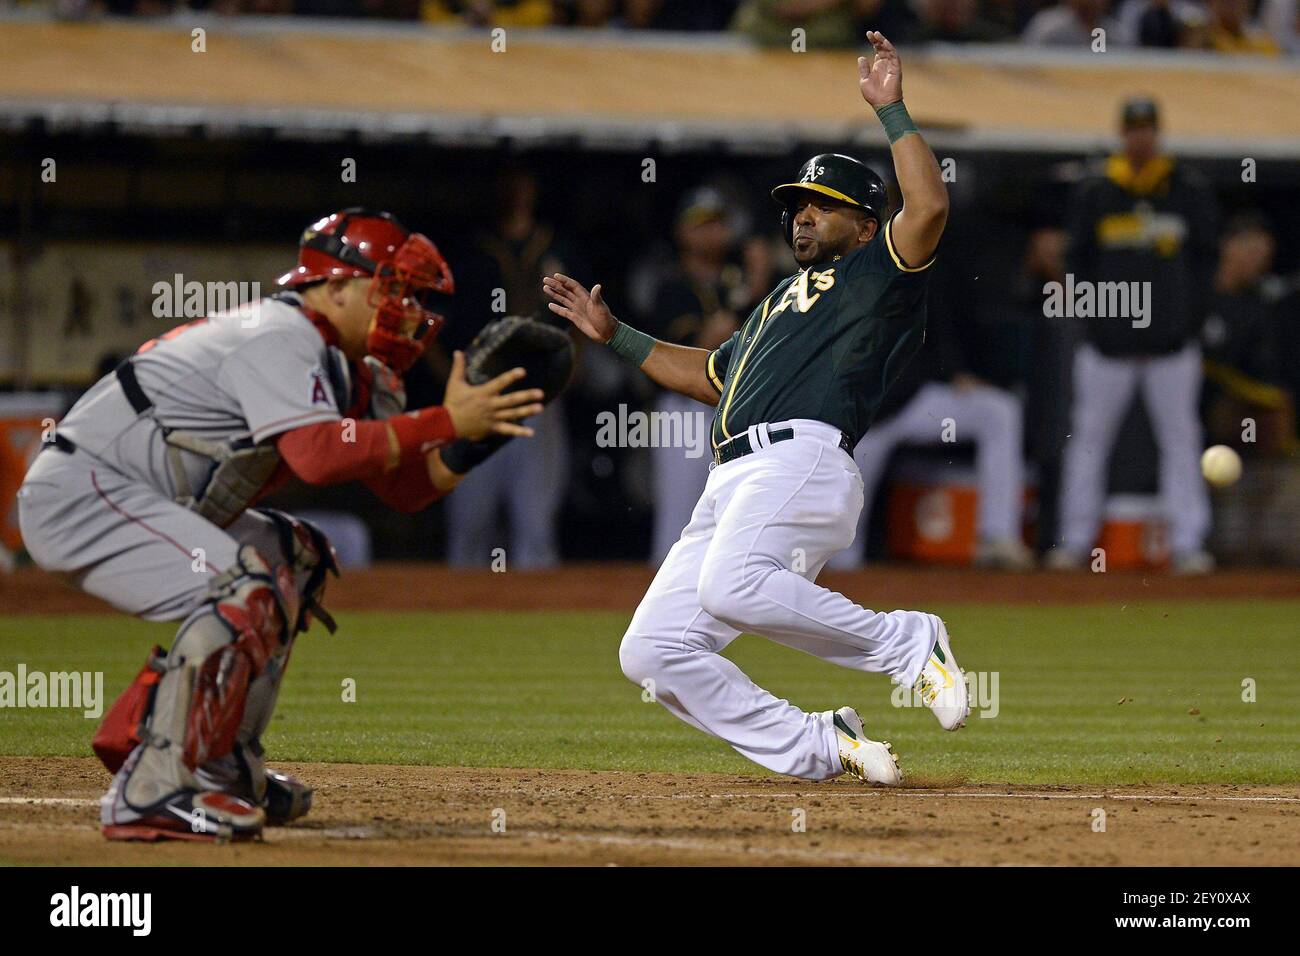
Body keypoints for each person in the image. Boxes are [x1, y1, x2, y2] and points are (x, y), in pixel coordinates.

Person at [17, 209, 547, 842]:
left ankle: (218, 766)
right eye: (392, 289)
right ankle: (150, 789)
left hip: (139, 496)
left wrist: (475, 434)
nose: (407, 309)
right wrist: (444, 422)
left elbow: (405, 489)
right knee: (242, 585)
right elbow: (318, 456)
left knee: (293, 555)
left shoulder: (351, 366)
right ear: (337, 285)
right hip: (83, 492)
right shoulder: (280, 331)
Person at [544, 33, 968, 786]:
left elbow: (929, 203)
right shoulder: (777, 299)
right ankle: (819, 742)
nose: (802, 216)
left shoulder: (878, 274)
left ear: (866, 224)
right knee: (653, 651)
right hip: (733, 477)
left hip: (803, 460)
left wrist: (893, 111)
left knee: (731, 587)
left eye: (824, 206)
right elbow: (710, 374)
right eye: (797, 206)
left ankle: (910, 644)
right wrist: (615, 336)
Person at [1049, 99, 1219, 573]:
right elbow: (1075, 263)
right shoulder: (1098, 189)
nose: (1141, 138)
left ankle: (1188, 544)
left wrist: (1189, 322)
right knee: (1087, 440)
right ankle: (1074, 542)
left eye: (1148, 129)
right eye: (1133, 129)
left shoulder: (1185, 188)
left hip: (1171, 346)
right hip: (1108, 346)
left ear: (1158, 133)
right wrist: (1093, 323)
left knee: (1181, 440)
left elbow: (1207, 263)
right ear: (1123, 134)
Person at [828, 297, 1033, 571]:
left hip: (911, 401)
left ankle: (997, 536)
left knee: (998, 411)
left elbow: (935, 332)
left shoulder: (909, 276)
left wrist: (954, 373)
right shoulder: (841, 285)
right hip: (863, 422)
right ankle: (841, 578)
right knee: (843, 552)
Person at [441, 168, 574, 569]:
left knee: (535, 526)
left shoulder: (558, 246)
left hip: (538, 398)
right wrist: (452, 384)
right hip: (479, 396)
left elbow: (584, 323)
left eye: (523, 181)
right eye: (507, 182)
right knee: (469, 524)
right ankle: (454, 619)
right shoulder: (470, 249)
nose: (515, 191)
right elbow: (437, 331)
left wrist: (567, 375)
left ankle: (538, 623)